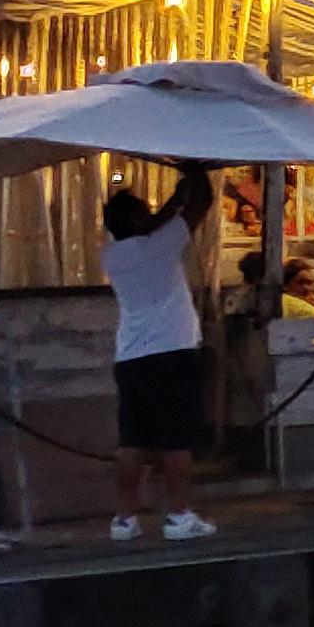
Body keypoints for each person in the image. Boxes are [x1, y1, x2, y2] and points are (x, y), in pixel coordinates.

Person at [99, 167, 220, 540]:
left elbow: (156, 222)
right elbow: (202, 204)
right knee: (176, 439)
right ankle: (179, 516)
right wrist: (194, 173)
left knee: (132, 440)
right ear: (139, 218)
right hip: (172, 352)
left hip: (132, 356)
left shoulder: (113, 255)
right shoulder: (159, 247)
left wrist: (171, 201)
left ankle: (124, 518)